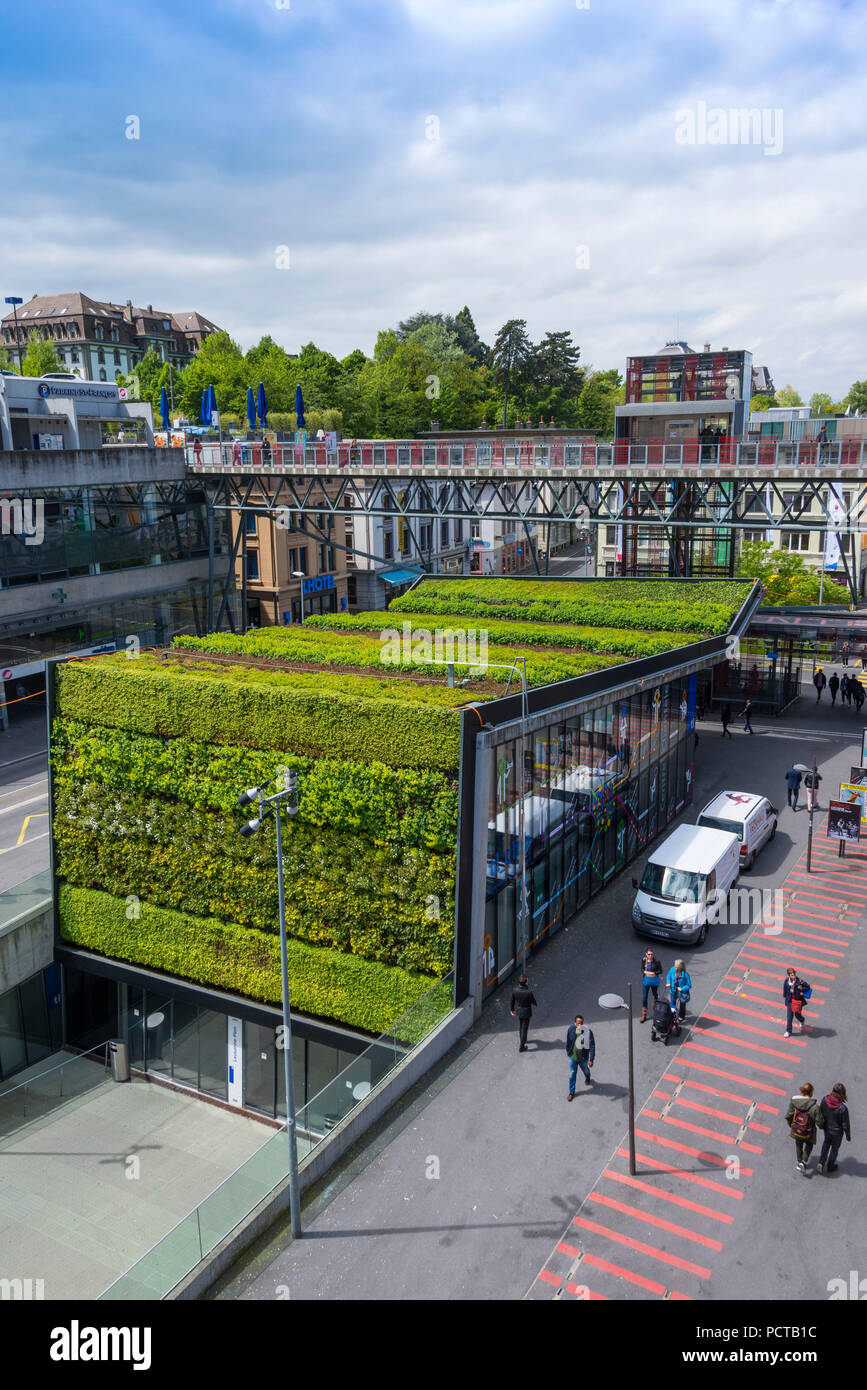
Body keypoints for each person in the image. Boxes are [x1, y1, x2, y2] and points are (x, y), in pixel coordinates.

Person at [786, 1082, 825, 1173]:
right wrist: (822, 1126)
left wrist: (791, 1125)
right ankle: (803, 1162)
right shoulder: (814, 1107)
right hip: (809, 1131)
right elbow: (819, 1122)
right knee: (809, 1146)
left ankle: (799, 1161)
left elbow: (789, 1115)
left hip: (796, 1129)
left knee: (798, 1145)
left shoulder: (794, 1102)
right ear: (811, 1092)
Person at [817, 1083, 852, 1175]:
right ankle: (830, 1166)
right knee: (834, 1149)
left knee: (826, 1143)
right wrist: (848, 1137)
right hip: (837, 1133)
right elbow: (845, 1124)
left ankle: (821, 1162)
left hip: (827, 1129)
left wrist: (821, 1125)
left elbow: (820, 1113)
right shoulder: (843, 1108)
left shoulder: (825, 1100)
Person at [565, 1013, 596, 1099]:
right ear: (575, 1023)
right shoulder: (571, 1029)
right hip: (573, 1057)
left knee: (586, 1070)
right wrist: (568, 1051)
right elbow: (568, 1040)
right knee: (572, 1074)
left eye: (581, 1023)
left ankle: (588, 1077)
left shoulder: (588, 1032)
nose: (580, 1025)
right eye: (578, 1023)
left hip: (583, 1058)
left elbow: (592, 1045)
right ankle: (571, 1093)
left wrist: (591, 1059)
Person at [510, 974, 537, 1052]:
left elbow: (512, 1001)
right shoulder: (529, 992)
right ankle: (522, 1046)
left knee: (521, 1025)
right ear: (525, 982)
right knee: (525, 1028)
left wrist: (512, 1010)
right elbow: (534, 1002)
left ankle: (522, 1039)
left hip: (519, 1011)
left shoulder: (515, 990)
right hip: (527, 1012)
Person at [783, 966, 810, 1037]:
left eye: (794, 974)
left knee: (797, 1015)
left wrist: (802, 989)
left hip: (797, 1000)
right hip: (790, 1001)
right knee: (789, 1016)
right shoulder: (786, 981)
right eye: (792, 975)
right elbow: (785, 989)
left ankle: (802, 1020)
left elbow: (808, 987)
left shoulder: (799, 981)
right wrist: (785, 996)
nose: (794, 976)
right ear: (789, 975)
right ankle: (788, 1031)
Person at [639, 949, 663, 1023]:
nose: (650, 956)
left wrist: (654, 973)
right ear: (646, 954)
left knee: (654, 993)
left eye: (652, 954)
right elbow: (642, 968)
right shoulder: (644, 960)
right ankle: (644, 1015)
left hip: (653, 980)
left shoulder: (657, 961)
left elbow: (660, 971)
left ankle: (655, 1000)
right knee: (645, 997)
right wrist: (644, 971)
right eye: (649, 954)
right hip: (646, 981)